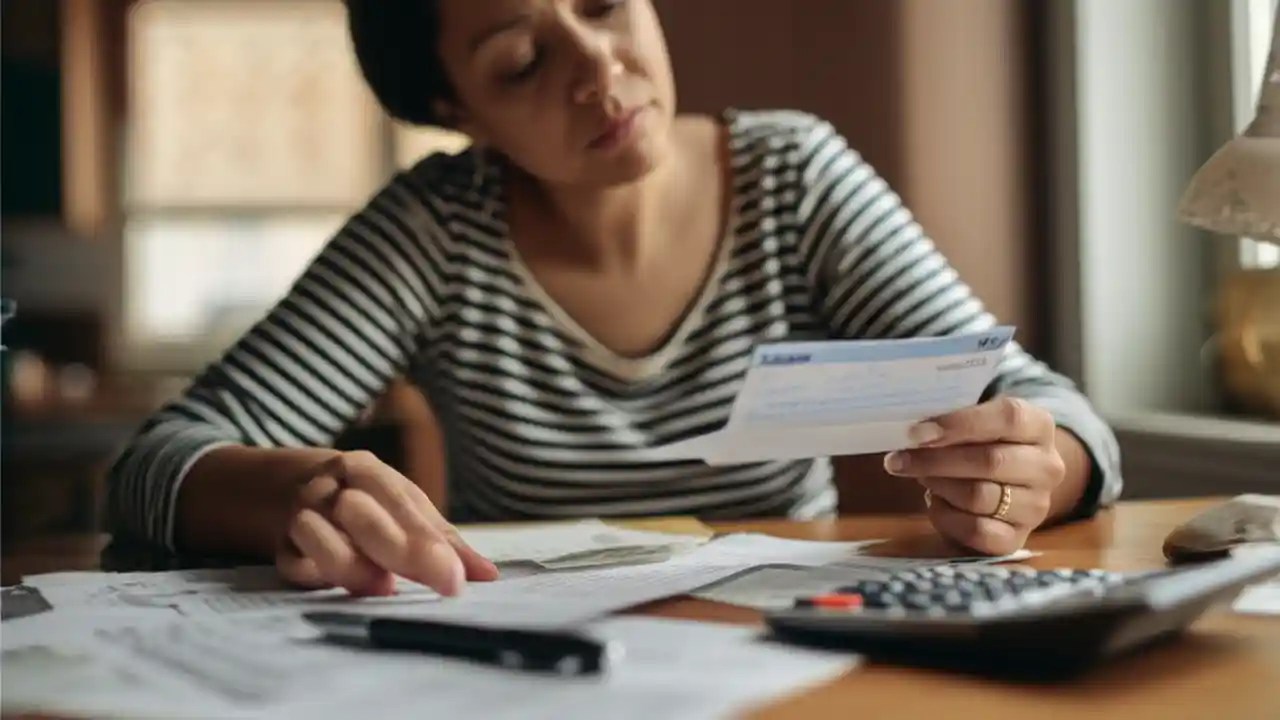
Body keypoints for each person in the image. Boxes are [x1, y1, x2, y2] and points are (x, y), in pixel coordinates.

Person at [106, 0, 1122, 598]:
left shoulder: (793, 179)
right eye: (520, 62)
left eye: (602, 2)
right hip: (519, 671)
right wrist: (292, 488)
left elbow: (1039, 401)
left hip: (789, 647)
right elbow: (154, 461)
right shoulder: (432, 233)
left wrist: (1042, 465)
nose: (598, 67)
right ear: (455, 110)